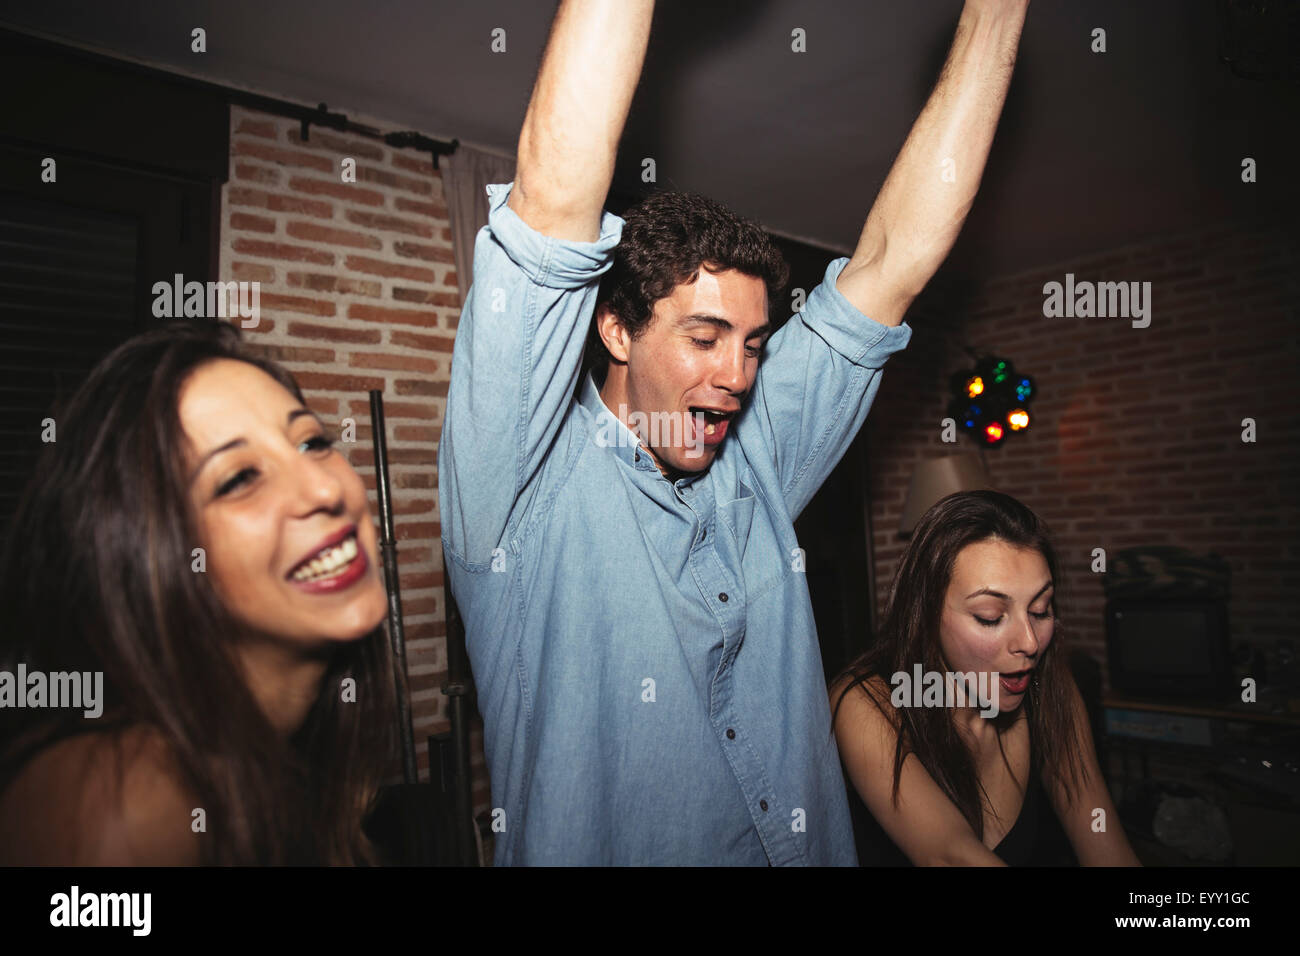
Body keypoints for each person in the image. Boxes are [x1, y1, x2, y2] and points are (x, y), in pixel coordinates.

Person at [439, 0, 1032, 864]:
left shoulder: (751, 455)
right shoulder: (519, 487)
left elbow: (892, 261)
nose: (739, 375)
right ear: (615, 330)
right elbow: (552, 199)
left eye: (753, 344)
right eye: (704, 337)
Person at [0, 320, 396, 865]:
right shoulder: (124, 808)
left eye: (313, 442)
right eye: (238, 479)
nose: (326, 488)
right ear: (149, 554)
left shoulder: (297, 763)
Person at [830, 490, 1141, 866]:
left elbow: (1104, 843)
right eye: (991, 616)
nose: (1029, 643)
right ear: (925, 616)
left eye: (1041, 610)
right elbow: (949, 855)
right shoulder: (867, 702)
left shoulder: (1050, 690)